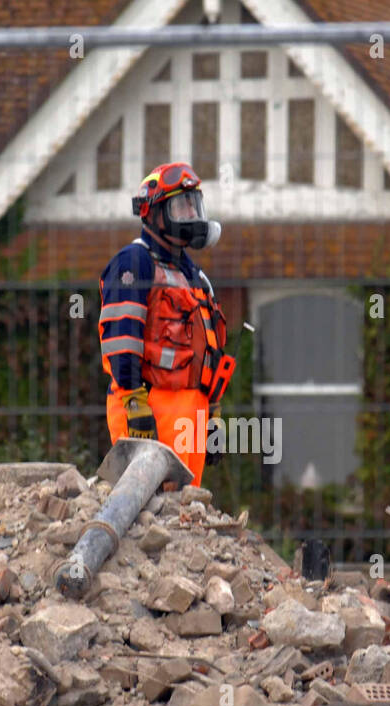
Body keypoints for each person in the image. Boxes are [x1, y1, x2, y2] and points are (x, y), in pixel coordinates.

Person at [97, 162, 235, 487]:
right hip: (150, 410)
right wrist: (134, 403)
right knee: (154, 512)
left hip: (191, 416)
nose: (190, 214)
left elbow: (209, 352)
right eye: (180, 206)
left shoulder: (195, 275)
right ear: (155, 212)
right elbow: (121, 337)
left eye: (193, 205)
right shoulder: (134, 262)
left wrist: (213, 416)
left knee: (184, 516)